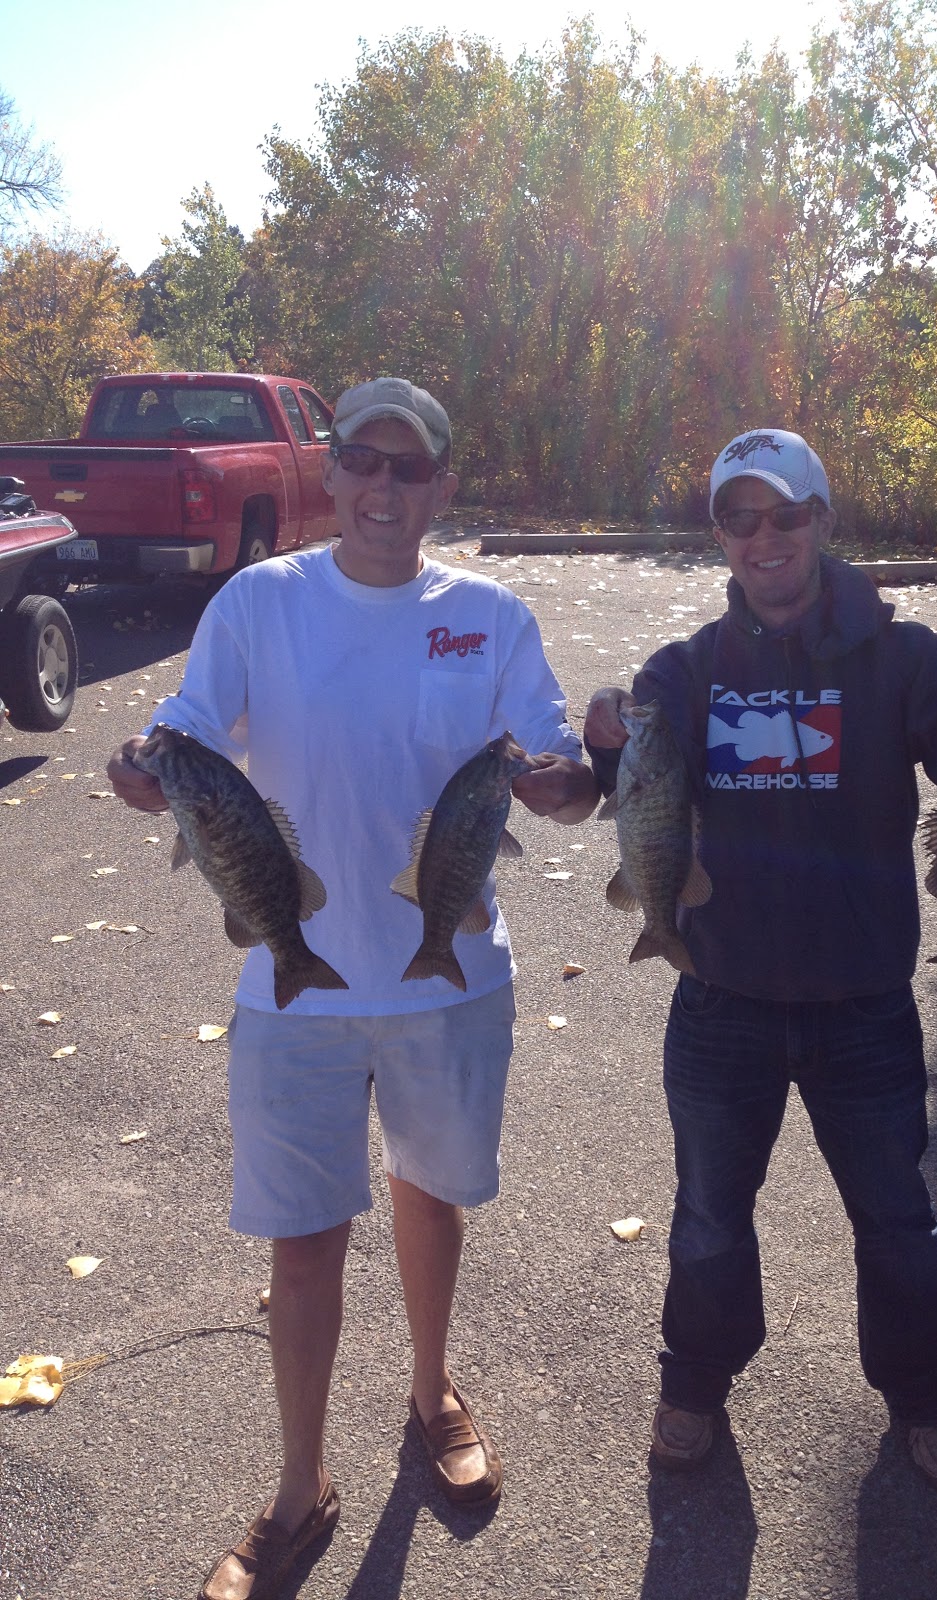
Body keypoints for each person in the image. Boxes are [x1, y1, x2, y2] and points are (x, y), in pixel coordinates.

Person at [108, 377, 599, 1600]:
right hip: (295, 993)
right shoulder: (257, 601)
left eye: (410, 467)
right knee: (304, 1238)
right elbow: (182, 729)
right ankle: (298, 1486)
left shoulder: (488, 614)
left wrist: (568, 783)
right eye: (363, 461)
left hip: (450, 979)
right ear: (330, 470)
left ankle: (432, 1394)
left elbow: (557, 761)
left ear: (441, 485)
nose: (384, 486)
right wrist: (139, 766)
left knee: (431, 1199)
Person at [584, 427, 937, 1490]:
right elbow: (631, 771)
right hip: (721, 999)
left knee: (898, 1220)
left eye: (785, 514)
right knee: (708, 1215)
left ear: (822, 521)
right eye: (739, 518)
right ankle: (695, 1381)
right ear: (719, 535)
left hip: (864, 1007)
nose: (762, 536)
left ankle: (925, 1397)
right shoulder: (686, 669)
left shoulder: (902, 657)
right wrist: (601, 735)